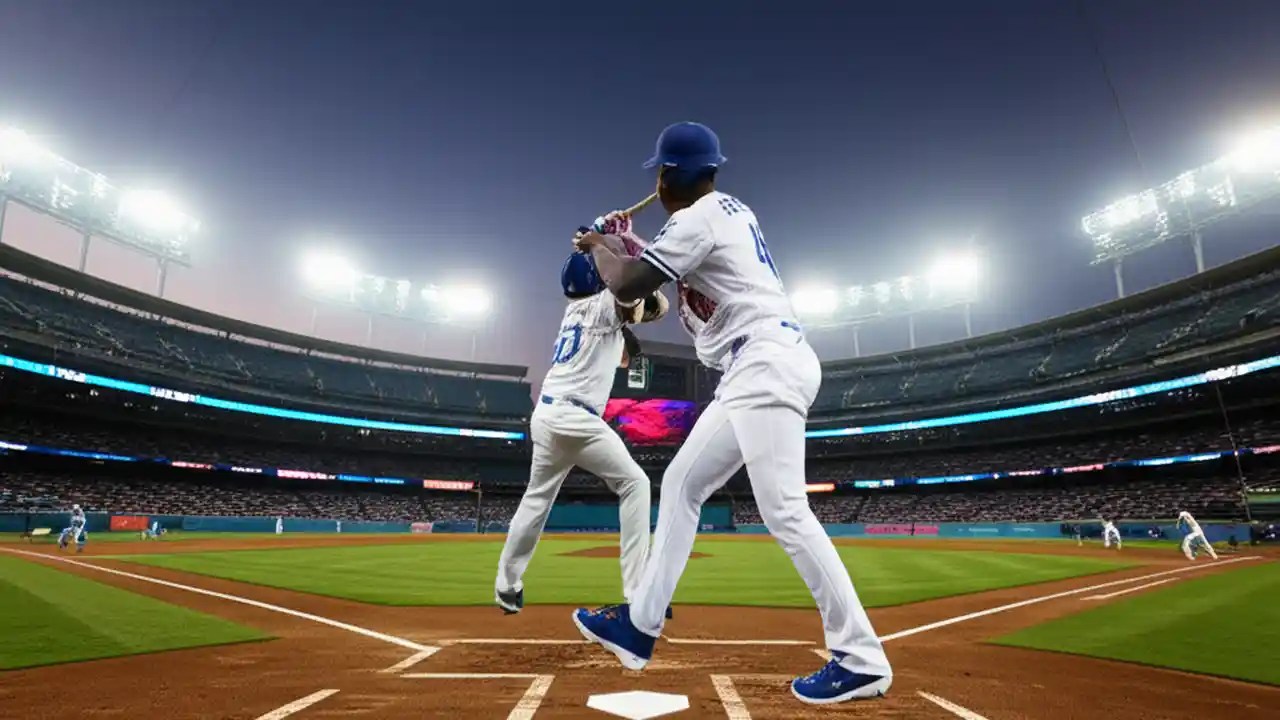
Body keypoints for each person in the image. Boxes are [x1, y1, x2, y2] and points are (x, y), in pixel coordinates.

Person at [571, 122, 891, 704]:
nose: (658, 182)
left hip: (763, 360)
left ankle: (861, 655)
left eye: (661, 173)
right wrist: (627, 246)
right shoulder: (717, 214)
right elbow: (670, 277)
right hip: (753, 366)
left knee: (785, 509)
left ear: (671, 174)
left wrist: (599, 247)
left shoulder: (697, 218)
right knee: (682, 483)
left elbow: (629, 290)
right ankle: (640, 625)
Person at [493, 248, 666, 615]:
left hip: (547, 415)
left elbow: (643, 303)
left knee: (536, 499)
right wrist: (620, 247)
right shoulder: (604, 304)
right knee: (636, 484)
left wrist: (614, 249)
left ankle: (507, 586)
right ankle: (638, 593)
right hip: (578, 418)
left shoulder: (573, 311)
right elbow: (654, 300)